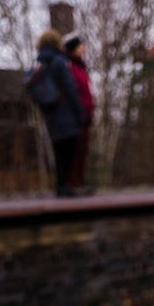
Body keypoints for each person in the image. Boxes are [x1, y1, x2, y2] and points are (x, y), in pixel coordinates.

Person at [31, 29, 85, 196]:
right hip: (65, 111)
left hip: (50, 112)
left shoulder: (39, 63)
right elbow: (70, 88)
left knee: (58, 150)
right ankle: (65, 186)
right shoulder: (59, 61)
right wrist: (80, 111)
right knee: (69, 149)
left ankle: (61, 185)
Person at [64, 33, 94, 191]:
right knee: (75, 152)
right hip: (76, 115)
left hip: (85, 114)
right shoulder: (69, 66)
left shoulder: (81, 66)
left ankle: (80, 183)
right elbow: (73, 92)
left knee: (83, 151)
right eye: (81, 46)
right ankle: (73, 184)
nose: (83, 49)